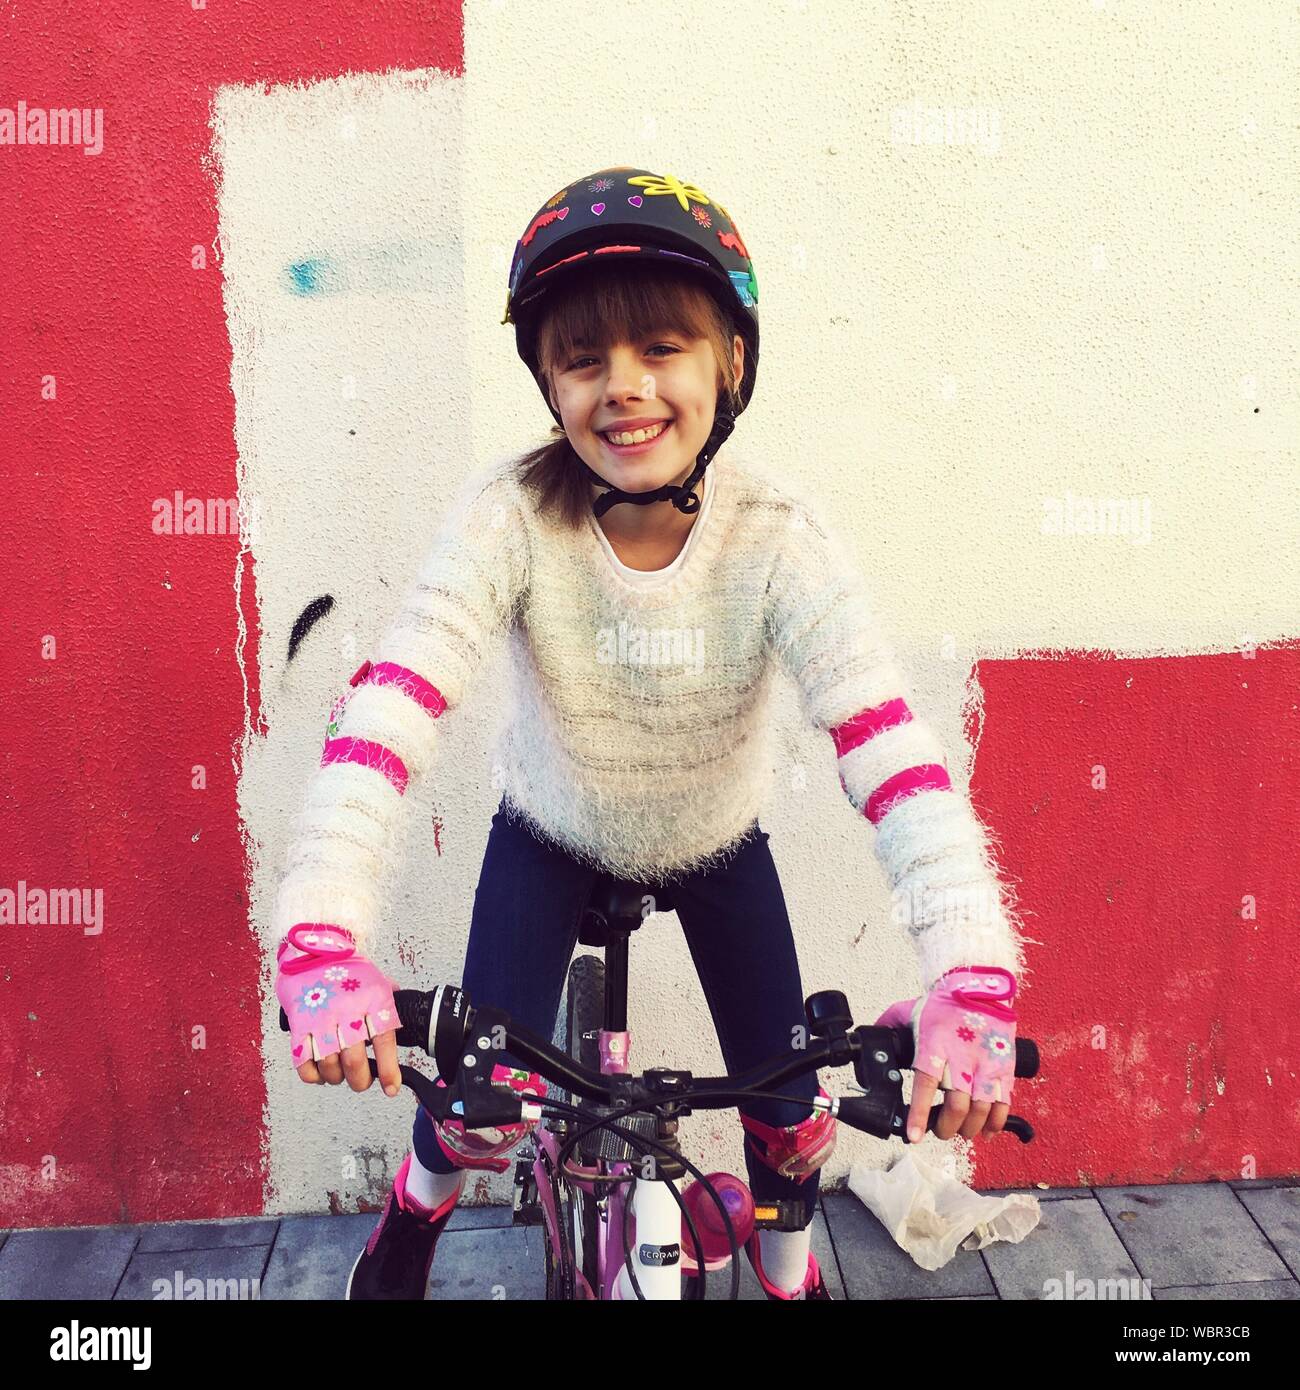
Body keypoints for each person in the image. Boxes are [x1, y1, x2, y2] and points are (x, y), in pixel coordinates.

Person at [272, 166, 1029, 1302]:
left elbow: (895, 759)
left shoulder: (778, 537)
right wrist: (319, 938)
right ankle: (412, 1222)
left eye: (661, 347)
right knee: (478, 1108)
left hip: (716, 839)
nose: (623, 389)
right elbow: (387, 717)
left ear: (729, 361)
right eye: (582, 359)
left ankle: (788, 1276)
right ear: (548, 383)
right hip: (551, 827)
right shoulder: (509, 518)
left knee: (790, 1122)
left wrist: (970, 967)